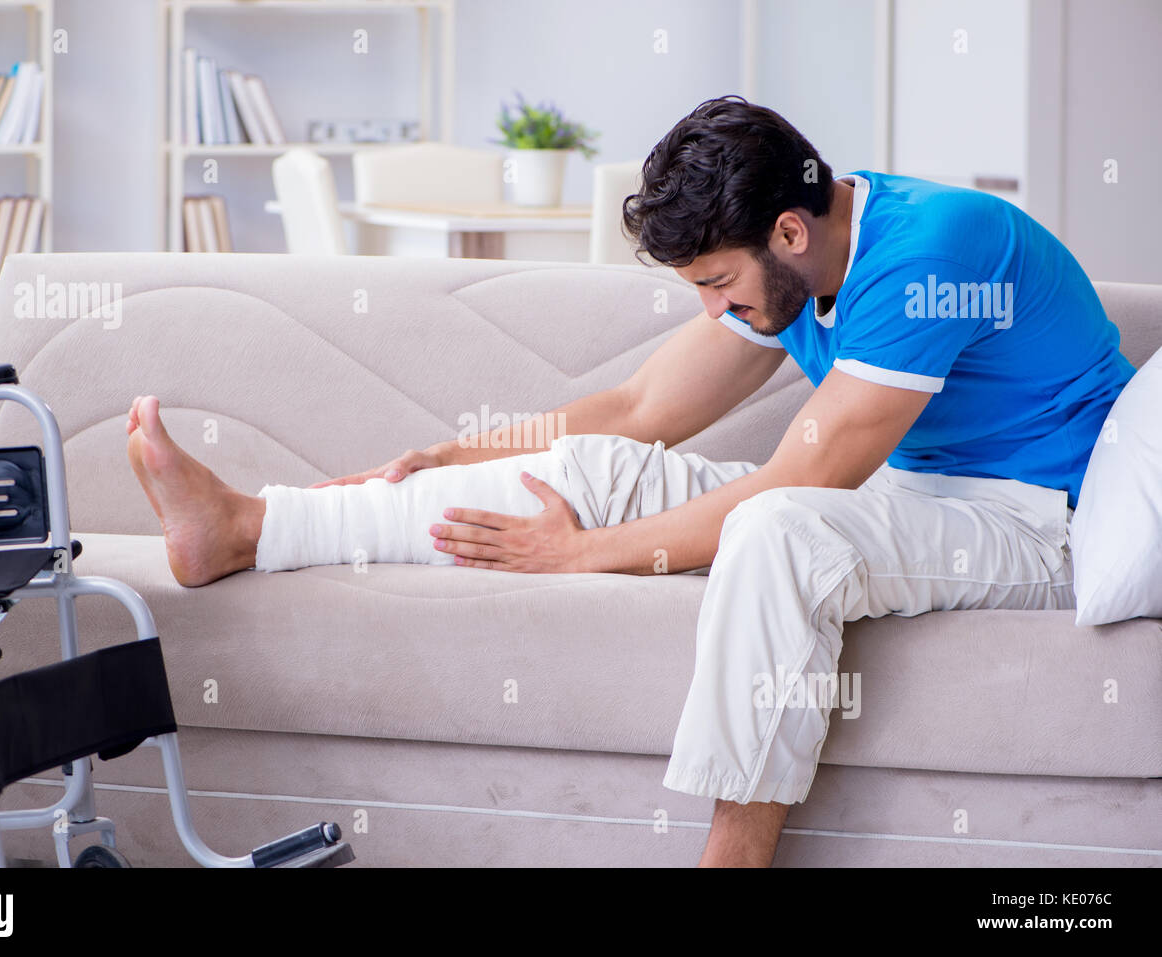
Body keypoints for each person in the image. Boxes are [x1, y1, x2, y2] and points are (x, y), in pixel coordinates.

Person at [126, 95, 1135, 867]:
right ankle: (252, 527)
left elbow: (806, 478)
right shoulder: (786, 270)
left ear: (788, 232)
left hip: (1035, 523)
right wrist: (464, 450)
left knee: (780, 528)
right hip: (912, 501)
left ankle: (729, 856)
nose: (710, 310)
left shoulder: (930, 252)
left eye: (714, 282)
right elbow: (636, 411)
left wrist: (577, 553)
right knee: (599, 469)